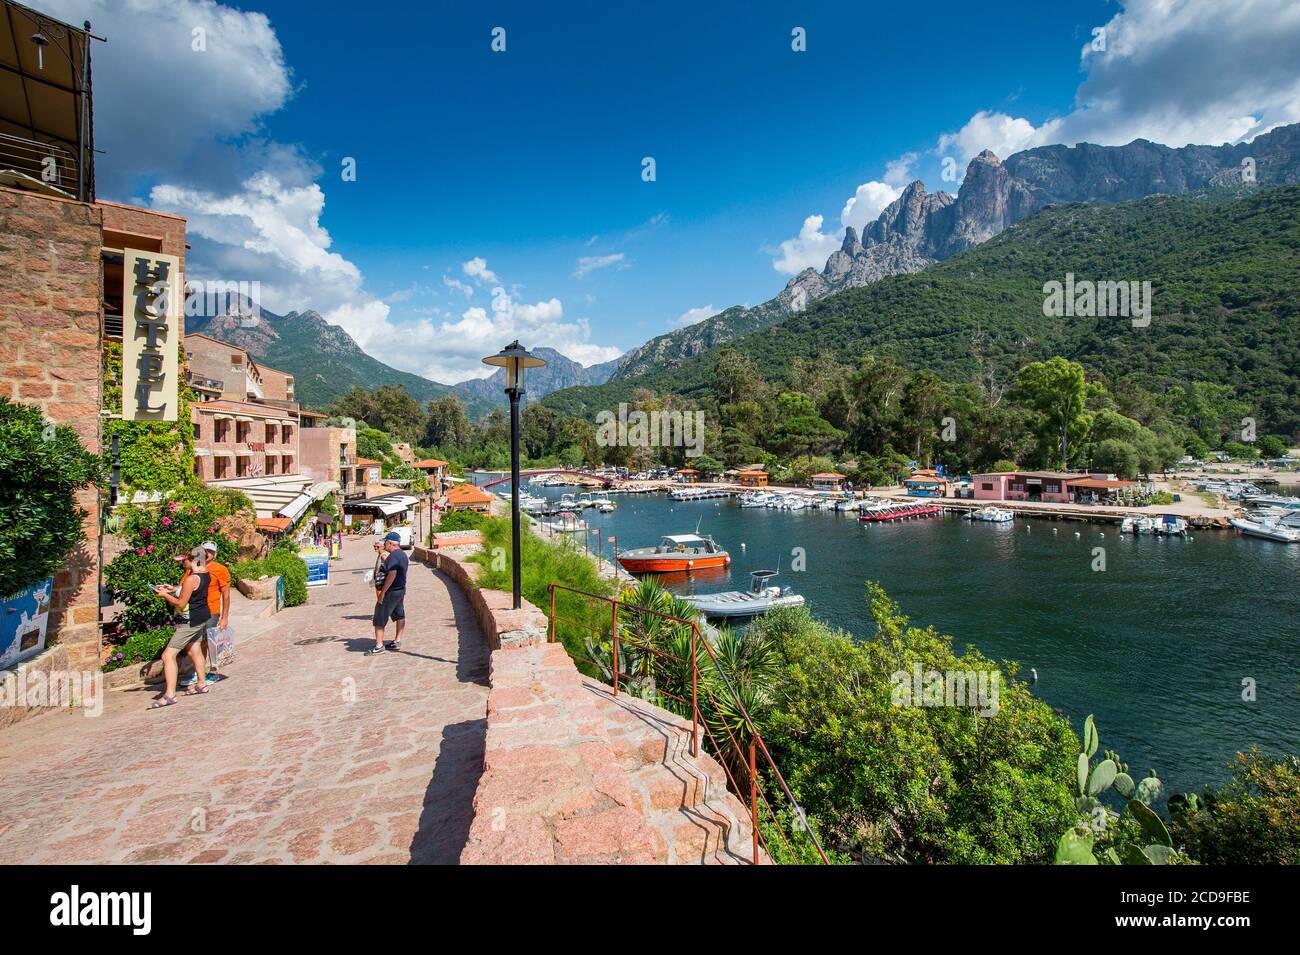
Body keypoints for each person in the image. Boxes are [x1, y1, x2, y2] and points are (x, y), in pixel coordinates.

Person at [149, 547, 214, 708]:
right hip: (202, 616)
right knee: (194, 649)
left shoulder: (192, 579)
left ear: (194, 560)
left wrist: (164, 595)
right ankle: (201, 683)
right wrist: (174, 589)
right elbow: (192, 593)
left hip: (190, 620)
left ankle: (170, 694)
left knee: (168, 655)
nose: (182, 563)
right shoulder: (205, 574)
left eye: (184, 560)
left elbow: (181, 603)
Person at [179, 540, 231, 688]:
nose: (208, 554)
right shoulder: (194, 568)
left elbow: (226, 595)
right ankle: (199, 671)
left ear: (215, 554)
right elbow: (183, 586)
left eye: (211, 552)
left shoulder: (220, 569)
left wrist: (224, 617)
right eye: (206, 551)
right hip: (196, 611)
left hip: (212, 611)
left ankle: (213, 671)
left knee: (211, 642)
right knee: (198, 642)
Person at [368, 531, 409, 655]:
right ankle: (397, 641)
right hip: (400, 589)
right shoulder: (403, 555)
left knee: (380, 616)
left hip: (391, 591)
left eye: (385, 542)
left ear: (390, 543)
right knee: (399, 614)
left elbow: (392, 574)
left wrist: (383, 593)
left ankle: (379, 646)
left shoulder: (393, 556)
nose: (384, 544)